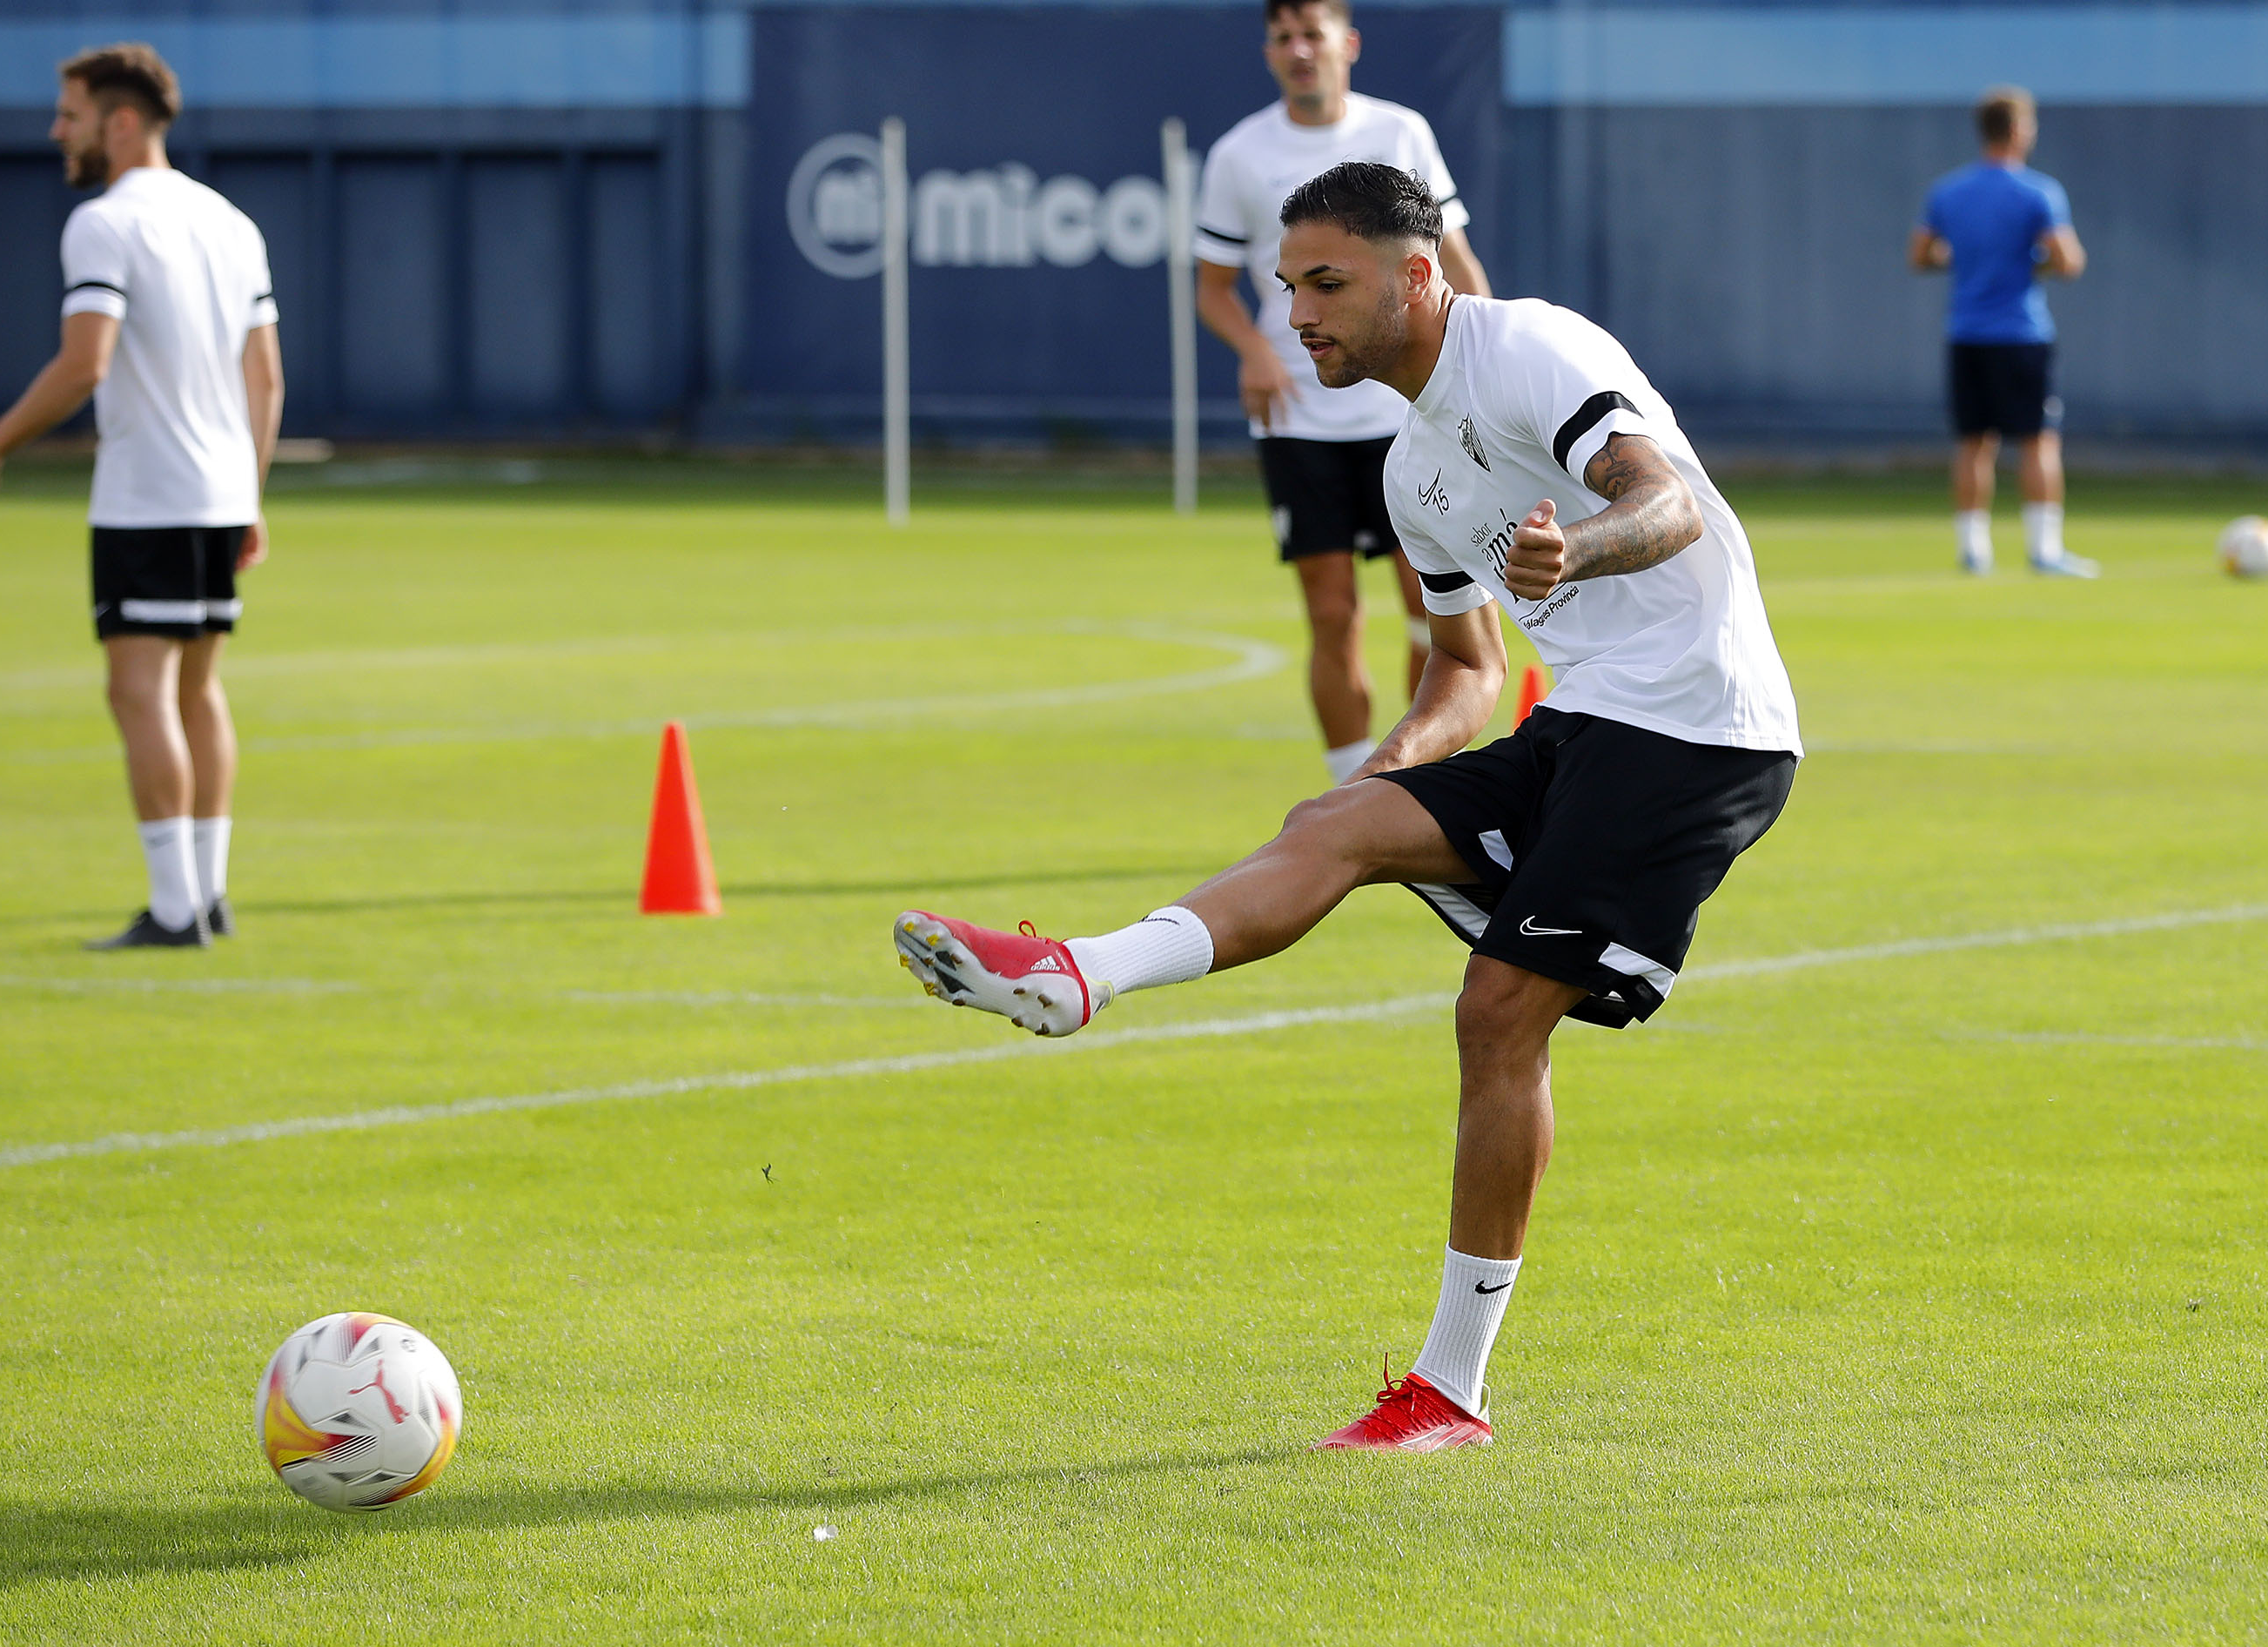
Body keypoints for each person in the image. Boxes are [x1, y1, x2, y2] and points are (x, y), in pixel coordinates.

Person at [894, 163, 1801, 1451]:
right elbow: (1469, 671)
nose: (1297, 314)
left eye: (1327, 284)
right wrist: (1392, 771)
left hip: (1704, 730)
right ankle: (1075, 974)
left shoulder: (1534, 346)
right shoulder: (1412, 475)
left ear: (1417, 274)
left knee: (1498, 1014)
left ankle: (1450, 1394)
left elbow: (1666, 504)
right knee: (1329, 824)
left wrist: (1577, 546)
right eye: (1285, 289)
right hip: (1586, 722)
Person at [0, 44, 283, 948]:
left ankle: (176, 910)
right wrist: (248, 494)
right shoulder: (231, 221)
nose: (57, 131)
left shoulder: (106, 223)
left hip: (149, 495)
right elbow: (267, 379)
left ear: (120, 121)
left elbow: (82, 364)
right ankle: (207, 897)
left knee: (137, 692)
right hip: (218, 493)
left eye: (69, 114)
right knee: (198, 690)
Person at [1193, 0, 1493, 787]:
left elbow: (1452, 260)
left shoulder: (1400, 133)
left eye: (1312, 34)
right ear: (1268, 51)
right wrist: (1257, 351)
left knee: (1437, 616)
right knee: (1331, 616)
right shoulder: (1239, 153)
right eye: (1282, 37)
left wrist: (1483, 361)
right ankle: (1344, 796)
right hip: (1299, 415)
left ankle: (1426, 789)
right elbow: (1214, 288)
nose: (1299, 50)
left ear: (1347, 44)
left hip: (1408, 412)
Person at [1910, 85, 2092, 578]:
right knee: (2038, 442)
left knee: (1973, 443)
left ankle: (1974, 552)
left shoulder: (1948, 191)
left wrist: (1964, 258)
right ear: (2017, 130)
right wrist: (2032, 261)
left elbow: (1921, 254)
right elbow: (2067, 259)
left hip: (1966, 331)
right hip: (2020, 332)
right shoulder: (2038, 191)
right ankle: (2045, 550)